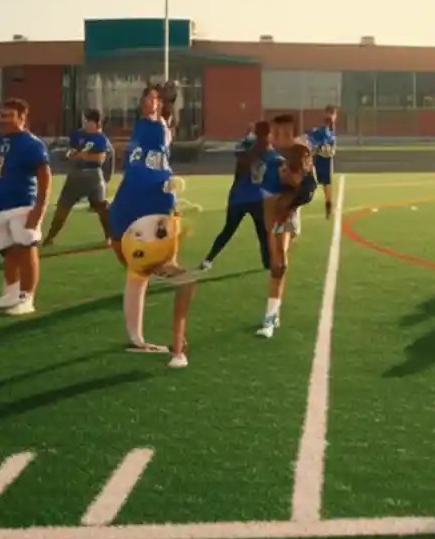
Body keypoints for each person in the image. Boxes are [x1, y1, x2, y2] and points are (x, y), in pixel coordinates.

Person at [109, 85, 196, 367]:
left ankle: (169, 341)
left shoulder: (161, 129)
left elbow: (165, 128)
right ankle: (138, 337)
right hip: (133, 203)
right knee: (137, 273)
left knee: (154, 269)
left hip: (155, 205)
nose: (149, 102)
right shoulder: (143, 127)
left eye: (154, 98)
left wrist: (167, 104)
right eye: (146, 97)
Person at [0, 99, 51, 315]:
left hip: (21, 204)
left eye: (8, 115)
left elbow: (45, 177)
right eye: (1, 115)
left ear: (22, 118)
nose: (2, 120)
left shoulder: (32, 144)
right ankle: (10, 292)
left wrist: (39, 210)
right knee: (8, 251)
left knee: (26, 249)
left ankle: (27, 297)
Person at [256, 113, 311, 339]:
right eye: (277, 133)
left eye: (286, 133)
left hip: (287, 211)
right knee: (278, 263)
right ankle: (271, 316)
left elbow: (308, 188)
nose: (281, 137)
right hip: (271, 209)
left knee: (280, 263)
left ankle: (272, 315)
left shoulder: (299, 153)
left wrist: (296, 181)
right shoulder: (267, 155)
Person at [200, 120, 273, 271]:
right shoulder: (254, 147)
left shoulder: (264, 150)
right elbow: (242, 158)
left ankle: (267, 262)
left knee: (259, 232)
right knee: (235, 231)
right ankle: (209, 258)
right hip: (245, 196)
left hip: (248, 197)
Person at [43, 109, 113, 247]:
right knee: (63, 206)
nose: (85, 123)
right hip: (76, 174)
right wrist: (74, 155)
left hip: (94, 176)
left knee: (102, 207)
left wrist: (81, 155)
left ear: (96, 123)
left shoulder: (101, 139)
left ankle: (110, 236)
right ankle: (50, 237)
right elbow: (71, 153)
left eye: (88, 121)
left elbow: (99, 159)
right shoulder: (77, 134)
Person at [306, 106, 339, 220]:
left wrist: (329, 149)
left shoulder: (331, 132)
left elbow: (331, 148)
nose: (331, 117)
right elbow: (311, 140)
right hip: (319, 159)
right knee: (315, 182)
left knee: (327, 184)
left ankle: (328, 205)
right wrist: (318, 147)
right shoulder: (320, 131)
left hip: (326, 160)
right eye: (330, 114)